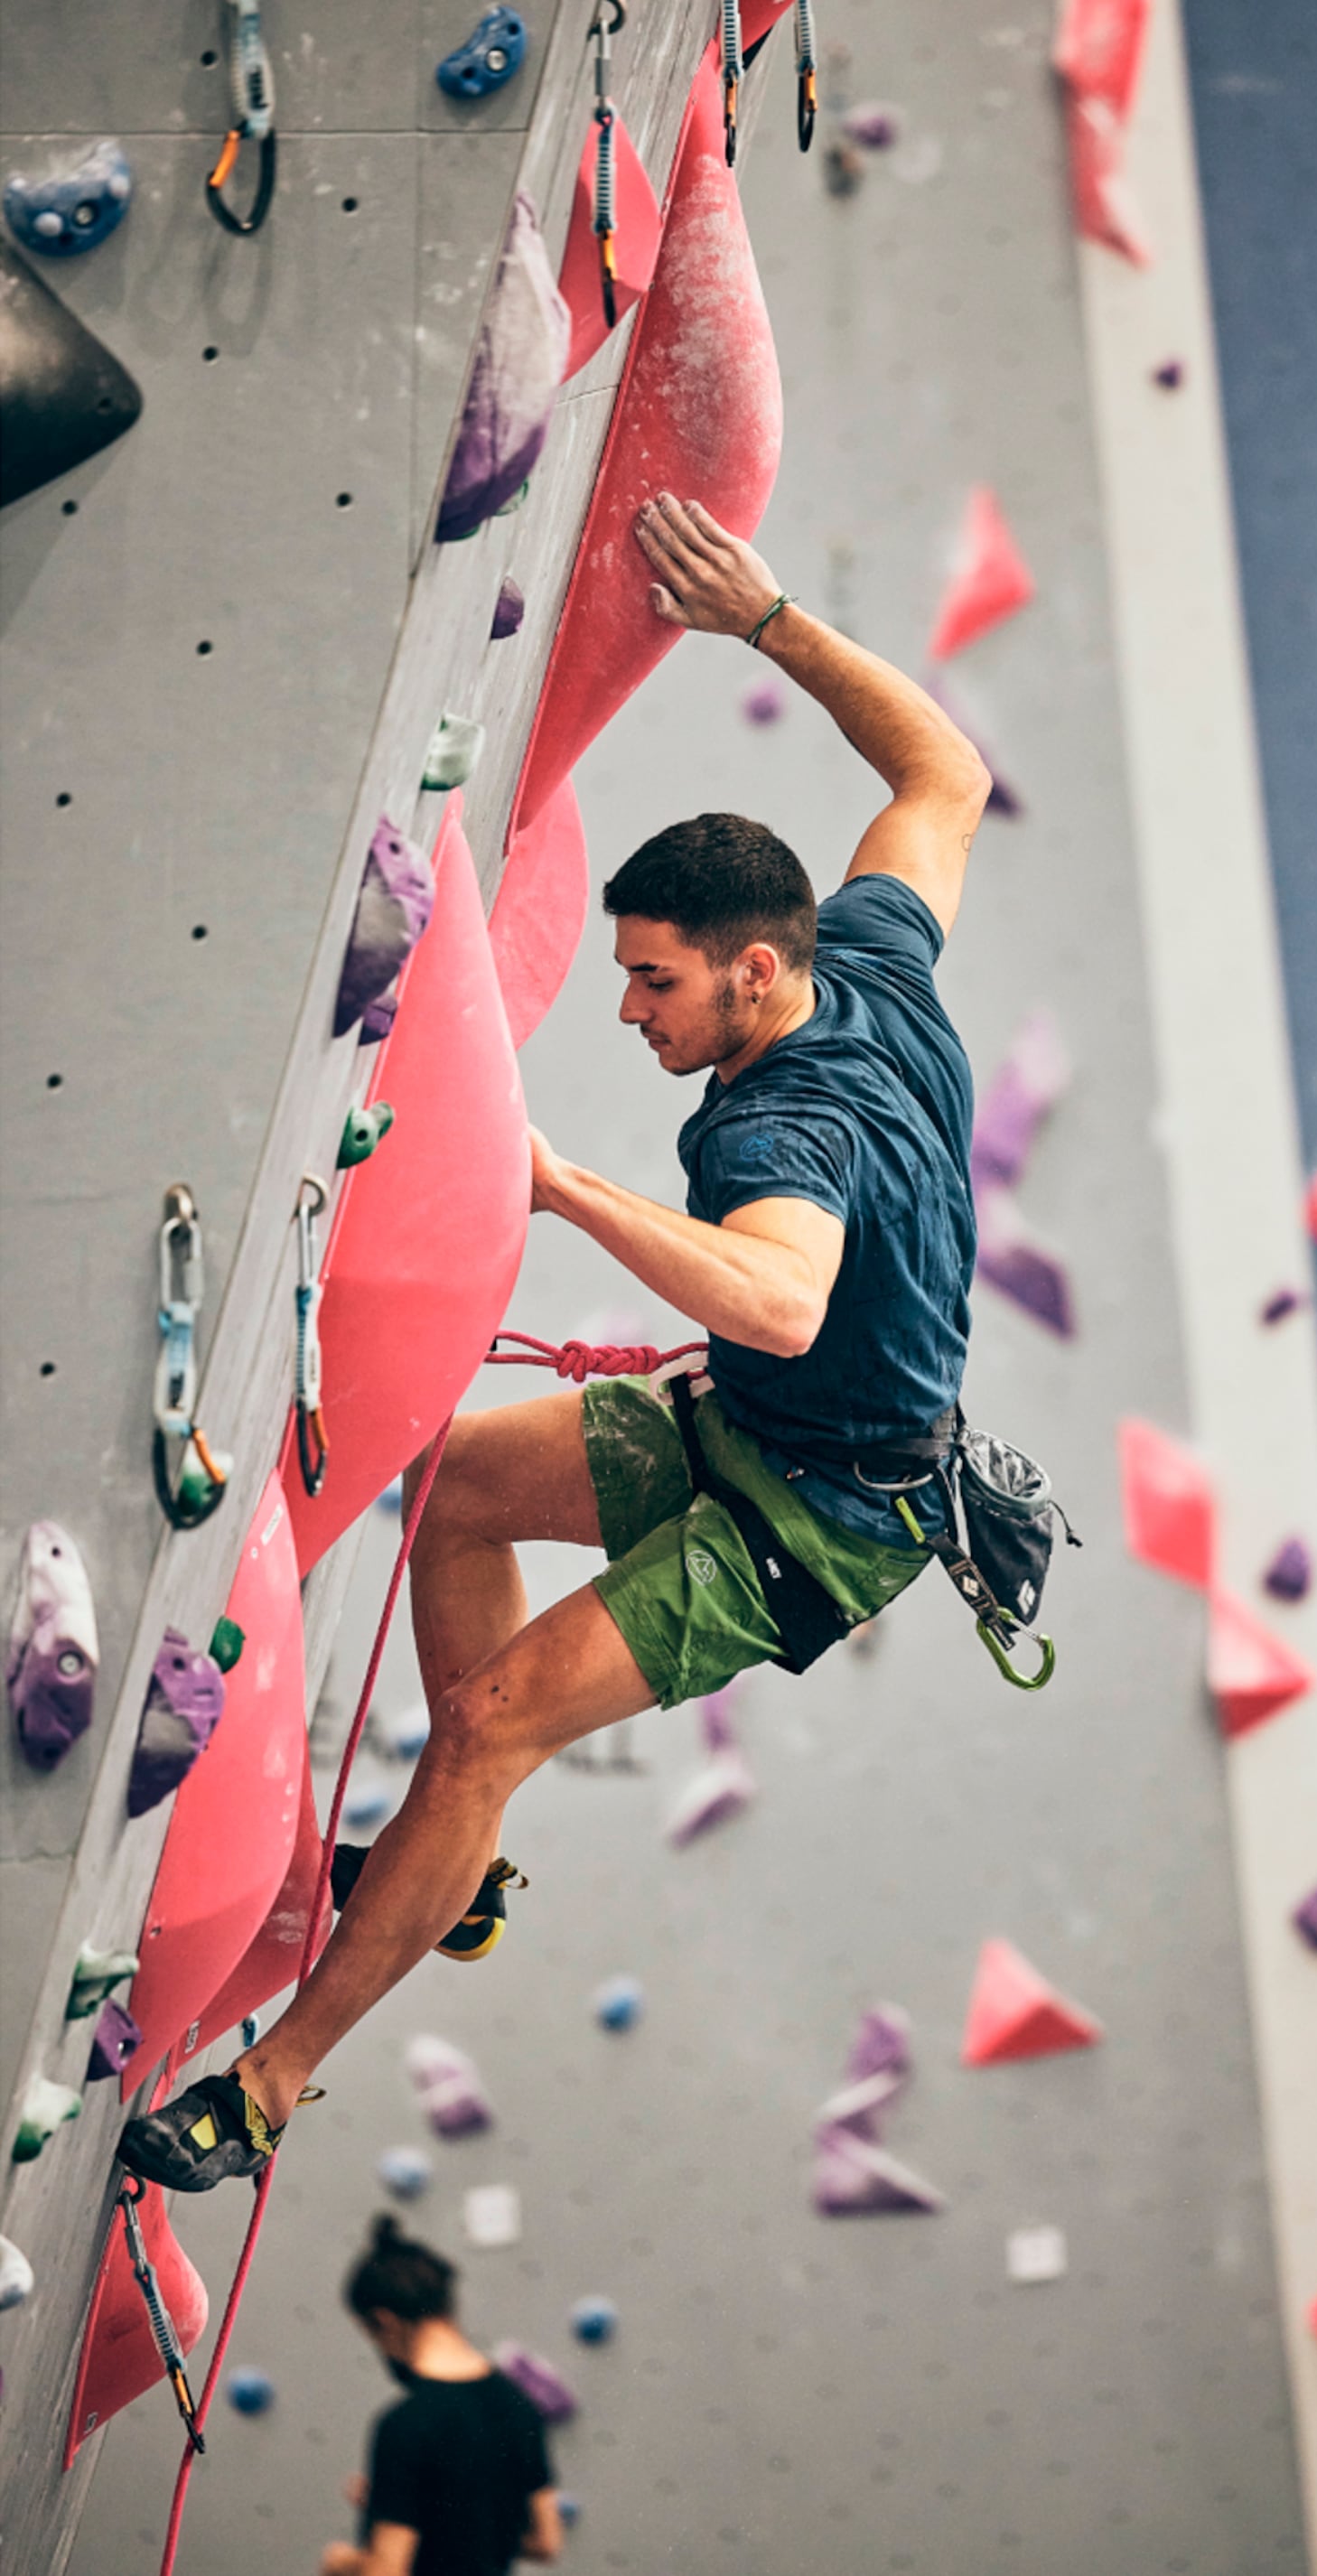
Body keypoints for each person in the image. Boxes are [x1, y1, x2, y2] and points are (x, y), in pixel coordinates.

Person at [122, 492, 991, 2193]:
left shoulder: (774, 1142)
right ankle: (467, 1857)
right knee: (447, 1488)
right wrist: (769, 619)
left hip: (817, 1519)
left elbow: (785, 1297)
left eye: (655, 985)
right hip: (776, 1420)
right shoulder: (870, 952)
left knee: (489, 1727)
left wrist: (563, 1184)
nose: (627, 1007)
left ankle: (271, 2082)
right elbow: (941, 775)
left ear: (753, 971)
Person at [319, 2216, 562, 2576]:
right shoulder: (517, 2404)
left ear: (383, 2322)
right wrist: (418, 2508)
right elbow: (546, 2541)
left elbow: (385, 2572)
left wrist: (344, 2564)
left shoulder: (406, 2424)